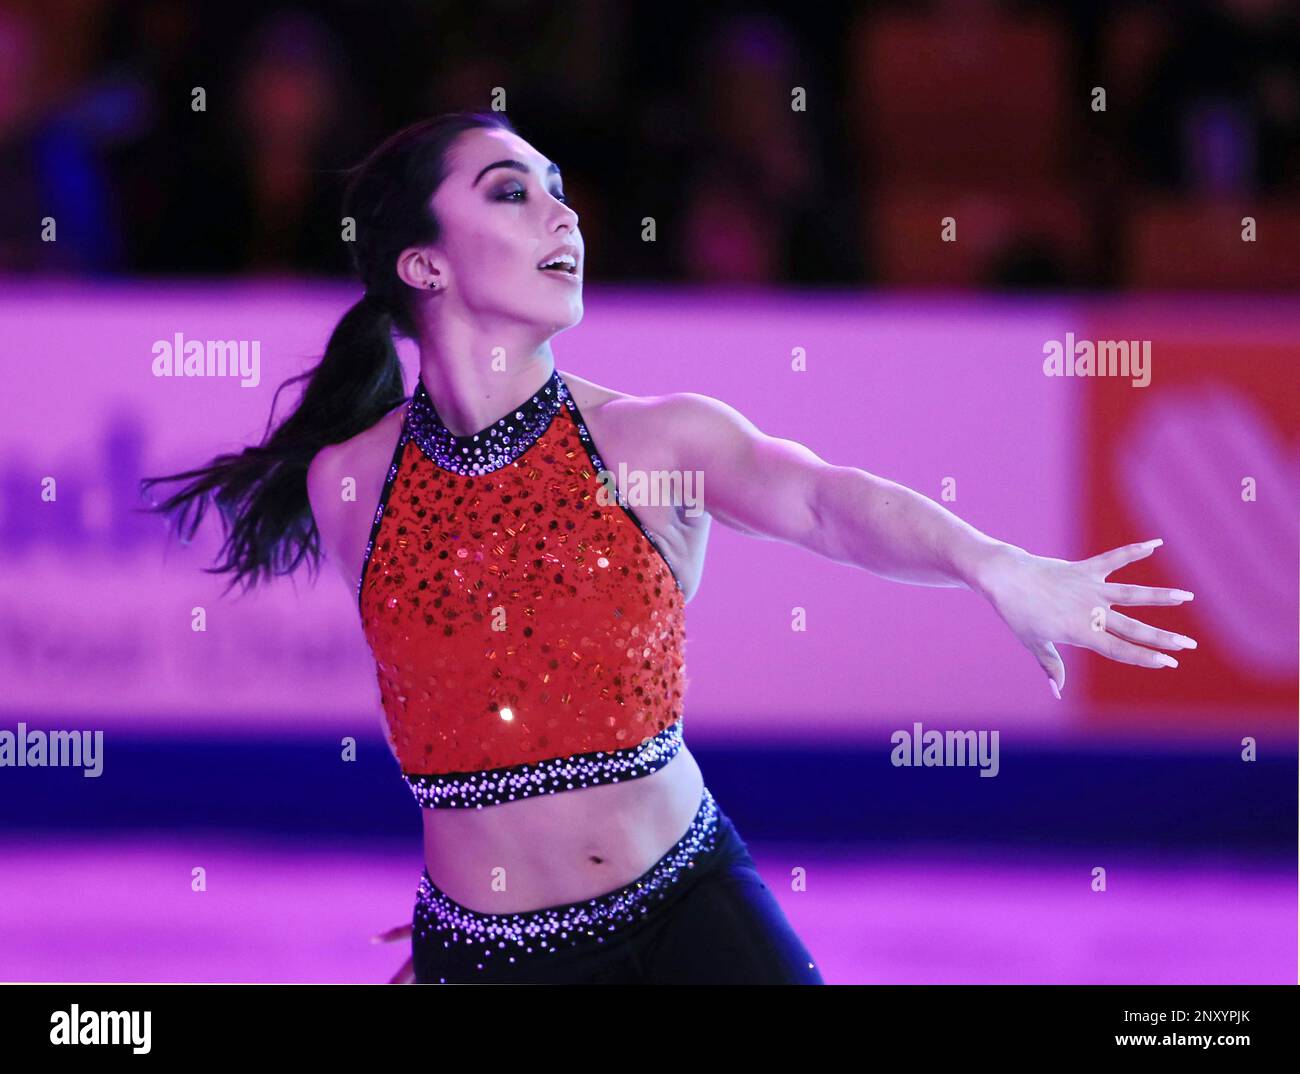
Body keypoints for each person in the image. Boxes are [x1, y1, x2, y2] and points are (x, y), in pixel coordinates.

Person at [141, 111, 1197, 985]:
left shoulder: (650, 445)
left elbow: (824, 503)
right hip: (478, 954)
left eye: (559, 187)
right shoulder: (351, 484)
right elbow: (458, 701)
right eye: (512, 192)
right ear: (422, 260)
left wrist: (988, 562)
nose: (563, 213)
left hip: (688, 925)